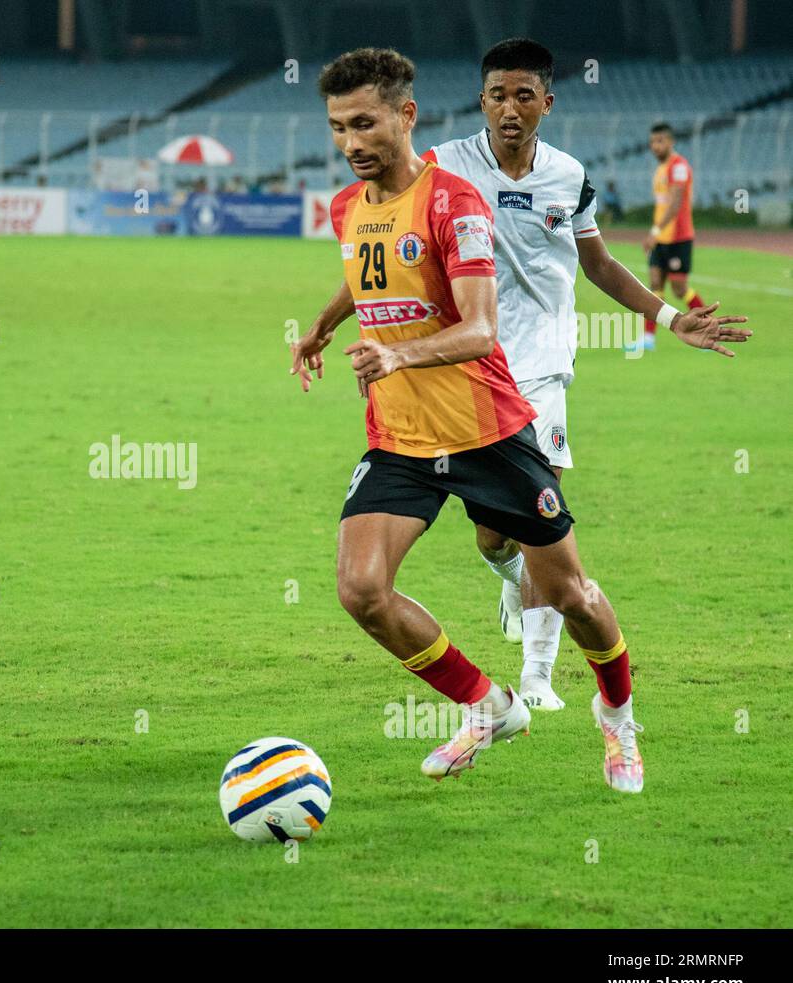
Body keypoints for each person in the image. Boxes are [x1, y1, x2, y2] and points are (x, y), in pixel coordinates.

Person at [289, 47, 646, 792]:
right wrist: (322, 327)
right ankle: (490, 705)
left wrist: (399, 357)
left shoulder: (455, 200)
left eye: (365, 123)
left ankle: (617, 719)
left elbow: (482, 330)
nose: (351, 142)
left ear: (404, 115)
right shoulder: (346, 206)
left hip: (488, 432)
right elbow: (367, 273)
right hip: (402, 437)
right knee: (362, 590)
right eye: (337, 128)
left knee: (575, 597)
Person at [424, 38, 749, 711]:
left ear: (547, 101)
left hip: (541, 374)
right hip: (467, 370)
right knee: (493, 535)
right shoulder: (442, 166)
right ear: (481, 101)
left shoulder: (569, 177)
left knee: (542, 523)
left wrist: (667, 317)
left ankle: (538, 676)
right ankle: (510, 582)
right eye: (495, 95)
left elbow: (597, 262)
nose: (508, 108)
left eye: (522, 95)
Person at [639, 122, 706, 351]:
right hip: (660, 240)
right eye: (652, 143)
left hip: (678, 238)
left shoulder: (679, 167)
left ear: (671, 141)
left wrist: (654, 232)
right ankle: (648, 339)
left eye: (660, 141)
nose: (655, 147)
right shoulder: (660, 169)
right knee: (655, 285)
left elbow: (676, 204)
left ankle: (707, 329)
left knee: (679, 288)